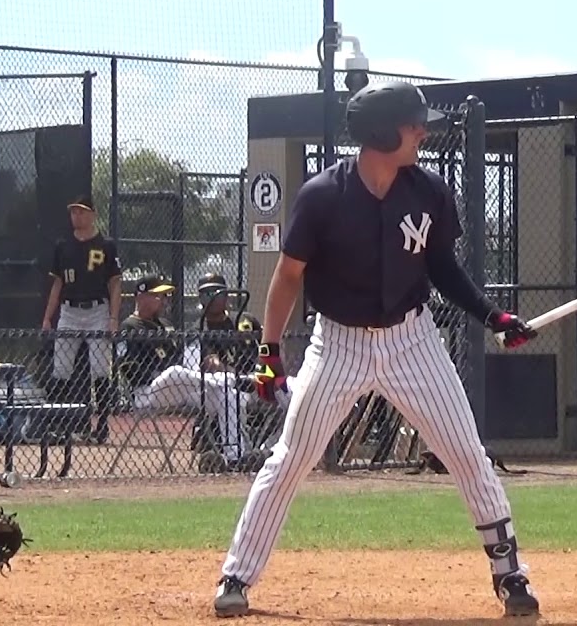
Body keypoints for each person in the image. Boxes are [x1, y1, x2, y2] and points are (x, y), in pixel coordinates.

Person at [211, 80, 541, 618]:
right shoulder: (323, 196)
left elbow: (443, 269)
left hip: (413, 341)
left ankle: (511, 576)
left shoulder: (429, 191)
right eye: (414, 125)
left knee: (466, 453)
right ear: (382, 132)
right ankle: (237, 575)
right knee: (292, 458)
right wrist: (269, 352)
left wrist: (492, 316)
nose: (422, 132)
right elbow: (287, 277)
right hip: (338, 343)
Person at [122, 274, 281, 473]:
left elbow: (180, 358)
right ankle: (233, 379)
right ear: (141, 297)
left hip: (182, 389)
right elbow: (128, 368)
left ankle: (235, 457)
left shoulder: (165, 325)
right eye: (158, 296)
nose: (163, 300)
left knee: (229, 396)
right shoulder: (129, 326)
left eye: (164, 296)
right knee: (175, 372)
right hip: (148, 392)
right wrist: (156, 373)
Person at [41, 194, 122, 444]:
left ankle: (102, 425)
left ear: (93, 215)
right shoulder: (63, 245)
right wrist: (47, 318)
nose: (77, 216)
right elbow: (57, 284)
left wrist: (113, 317)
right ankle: (57, 425)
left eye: (82, 212)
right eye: (74, 212)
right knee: (61, 369)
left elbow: (115, 283)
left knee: (100, 370)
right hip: (69, 311)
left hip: (98, 310)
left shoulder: (106, 245)